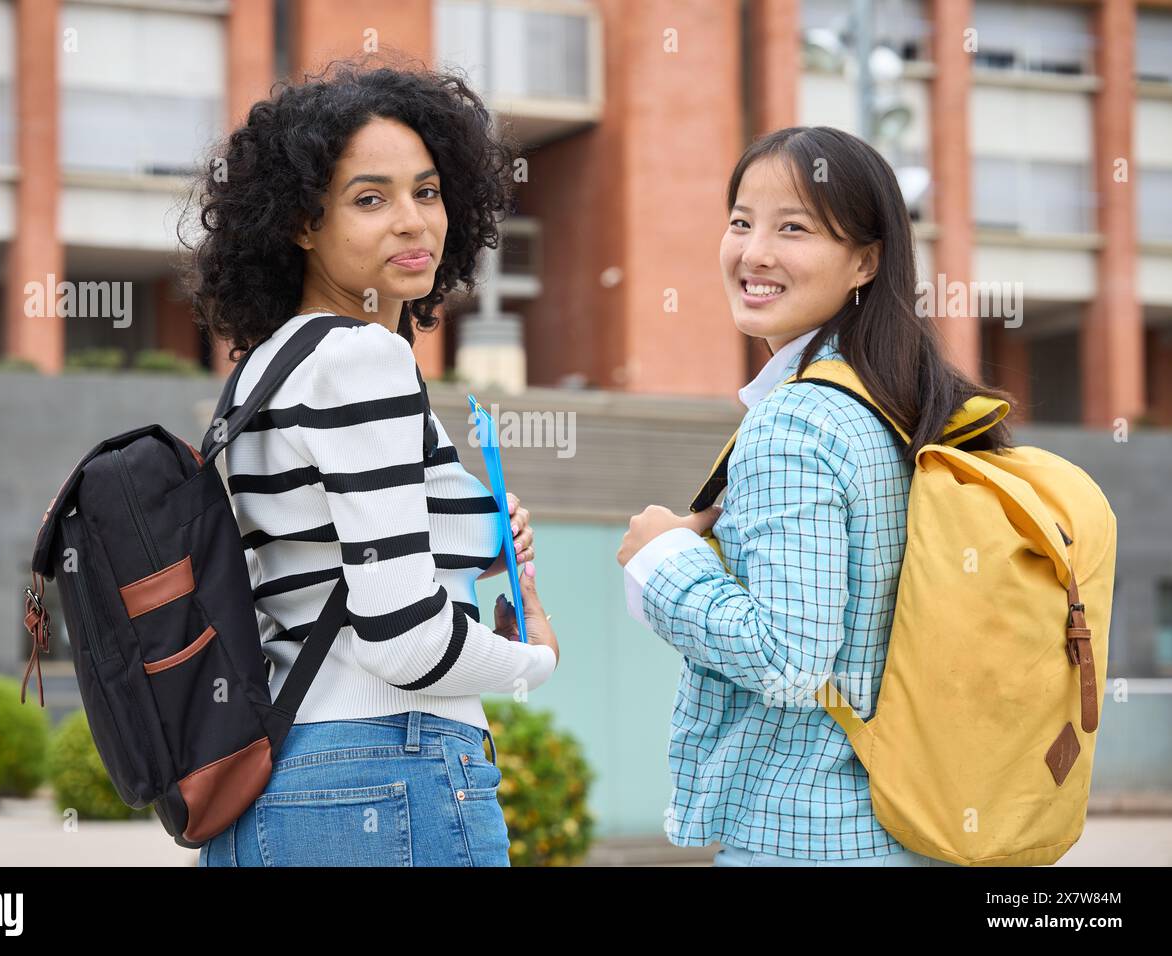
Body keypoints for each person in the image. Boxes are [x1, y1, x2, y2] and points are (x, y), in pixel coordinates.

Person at [182, 58, 560, 866]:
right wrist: (536, 660)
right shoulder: (363, 359)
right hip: (388, 766)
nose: (413, 221)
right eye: (370, 198)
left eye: (427, 192)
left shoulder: (262, 370)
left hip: (278, 779)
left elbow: (311, 571)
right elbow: (401, 639)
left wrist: (480, 533)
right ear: (301, 223)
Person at [617, 126, 1015, 867]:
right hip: (914, 822)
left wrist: (660, 558)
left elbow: (790, 661)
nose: (754, 252)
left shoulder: (799, 421)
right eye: (741, 222)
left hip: (808, 835)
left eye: (792, 228)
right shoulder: (903, 409)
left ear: (865, 260)